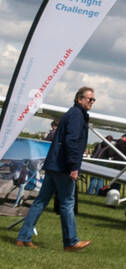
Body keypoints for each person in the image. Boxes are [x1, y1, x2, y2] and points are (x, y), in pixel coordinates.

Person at [16, 86, 96, 251]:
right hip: (63, 166)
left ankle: (23, 237)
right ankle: (71, 241)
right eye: (89, 99)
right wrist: (74, 167)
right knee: (67, 203)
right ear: (79, 99)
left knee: (40, 201)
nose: (92, 102)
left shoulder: (73, 113)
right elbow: (72, 142)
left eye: (93, 100)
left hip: (54, 165)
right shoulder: (76, 115)